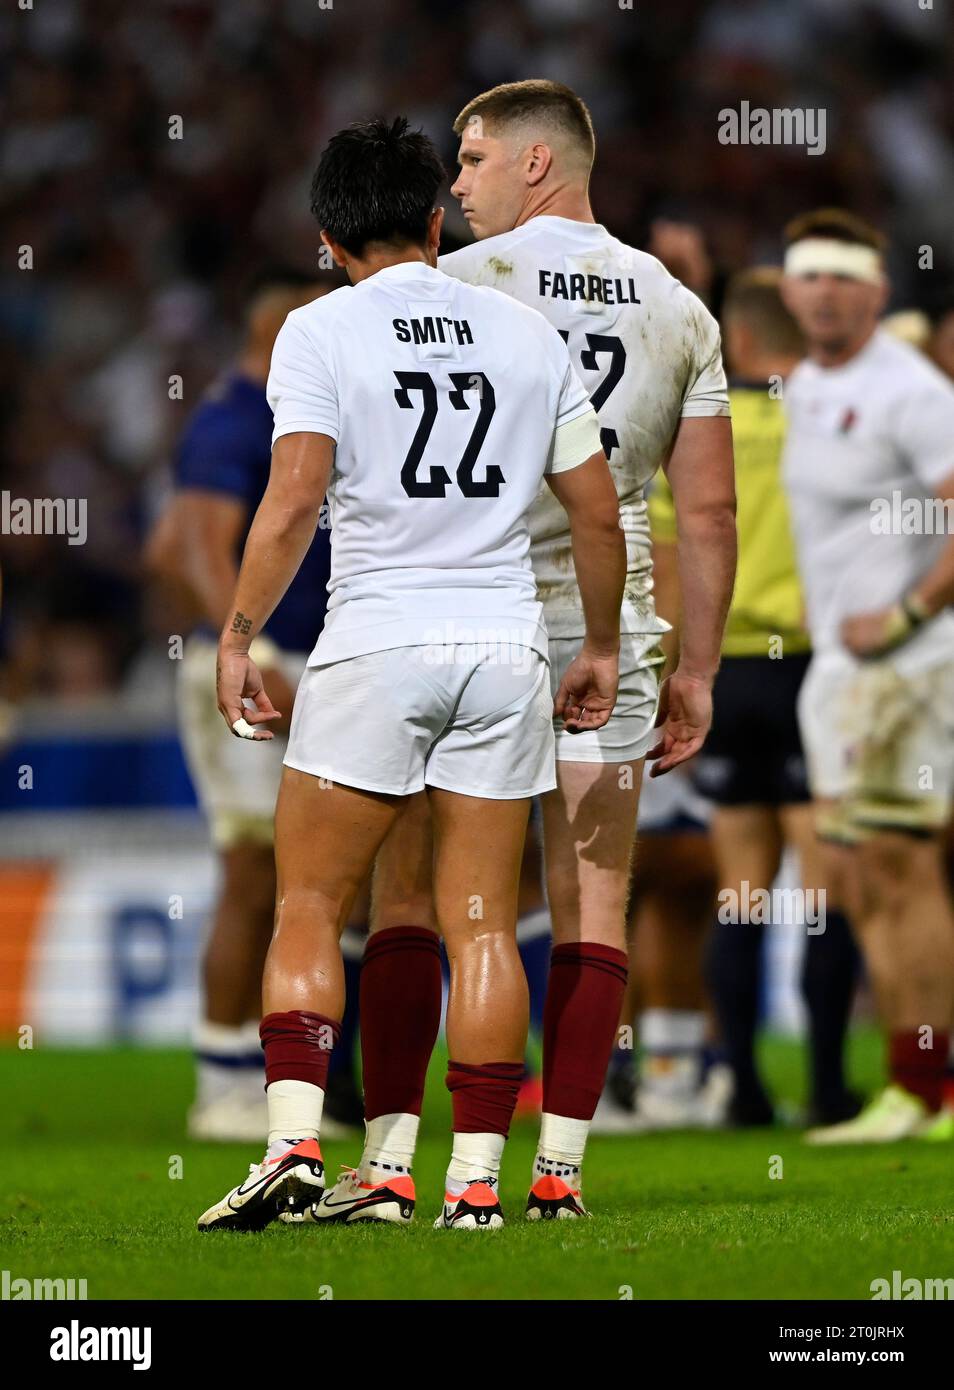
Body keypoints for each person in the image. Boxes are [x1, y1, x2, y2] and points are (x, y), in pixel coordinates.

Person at [196, 115, 626, 1233]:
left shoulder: (315, 329)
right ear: (436, 219)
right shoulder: (526, 333)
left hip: (376, 641)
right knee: (481, 922)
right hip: (503, 648)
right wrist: (603, 645)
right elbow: (593, 508)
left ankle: (294, 1144)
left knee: (306, 902)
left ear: (326, 239)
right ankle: (475, 1184)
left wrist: (239, 633)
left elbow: (293, 500)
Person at [336, 80, 735, 1222]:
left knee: (415, 891)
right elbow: (706, 514)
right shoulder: (678, 306)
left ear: (537, 165)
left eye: (470, 161)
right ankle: (555, 1170)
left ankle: (397, 1162)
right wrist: (695, 668)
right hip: (610, 634)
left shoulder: (447, 289)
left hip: (463, 612)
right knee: (590, 903)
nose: (452, 188)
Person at [146, 268, 363, 1142]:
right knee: (251, 872)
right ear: (283, 333)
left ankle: (290, 1080)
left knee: (316, 875)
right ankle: (222, 1083)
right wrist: (253, 649)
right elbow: (192, 547)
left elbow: (168, 541)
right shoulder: (235, 418)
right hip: (247, 666)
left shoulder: (281, 417)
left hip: (305, 663)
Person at [780, 208, 954, 1143]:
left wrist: (909, 612)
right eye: (809, 276)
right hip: (842, 674)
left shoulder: (912, 390)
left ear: (879, 292)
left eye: (845, 276)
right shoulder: (804, 383)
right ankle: (914, 1081)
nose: (826, 292)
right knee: (859, 875)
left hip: (910, 668)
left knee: (901, 867)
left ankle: (927, 1089)